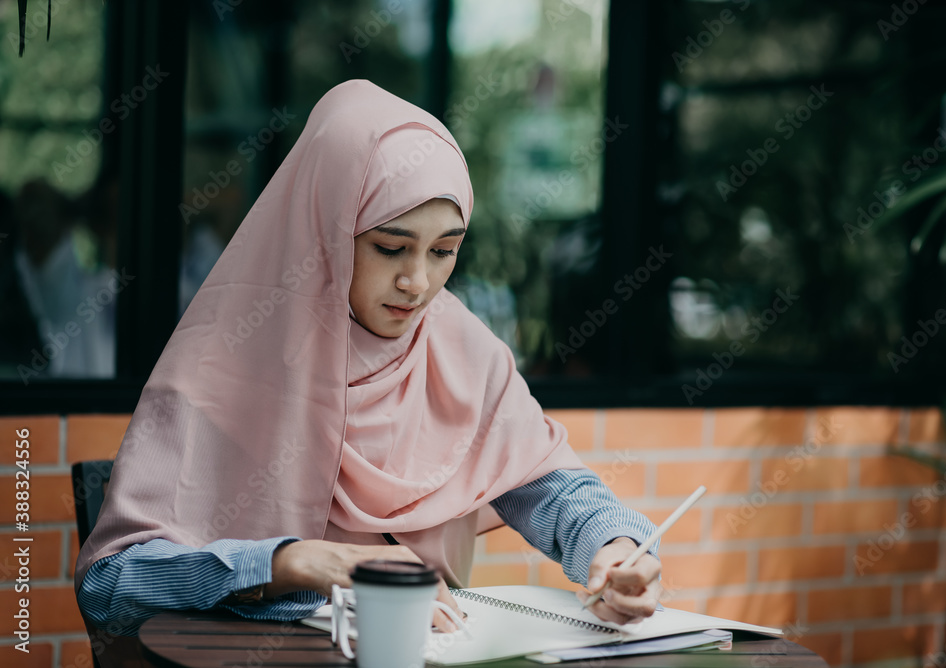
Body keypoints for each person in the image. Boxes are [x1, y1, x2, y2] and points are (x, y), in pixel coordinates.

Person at [74, 80, 662, 661]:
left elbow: (556, 493)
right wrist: (294, 561)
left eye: (444, 250)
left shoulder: (462, 353)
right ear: (325, 230)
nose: (418, 283)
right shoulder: (224, 363)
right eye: (389, 247)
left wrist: (614, 548)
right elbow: (110, 587)